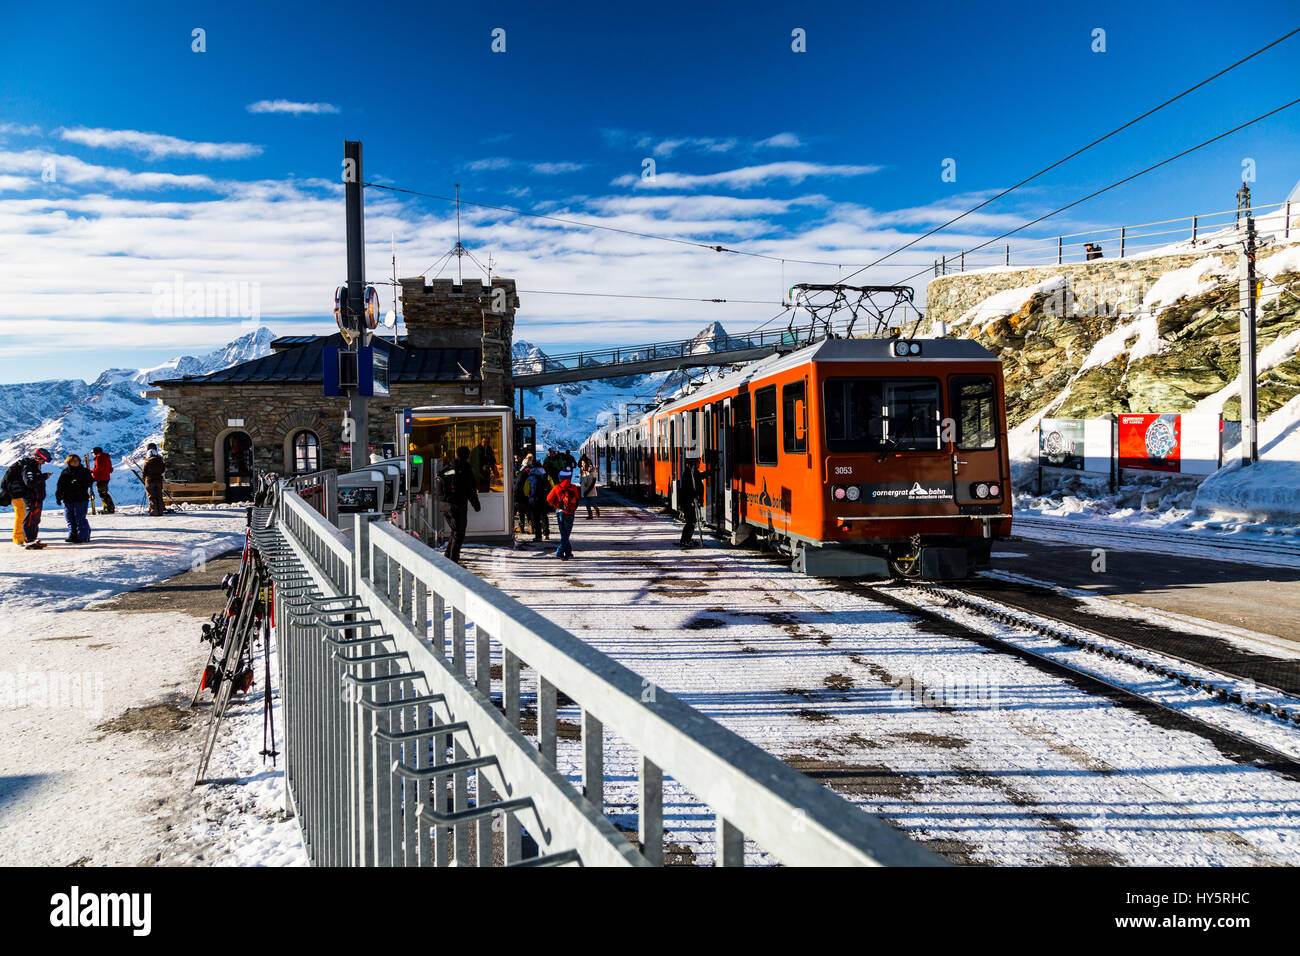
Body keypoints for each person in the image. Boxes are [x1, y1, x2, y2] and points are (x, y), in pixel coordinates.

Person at [437, 445, 480, 564]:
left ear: (456, 455)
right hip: (458, 505)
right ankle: (453, 561)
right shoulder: (465, 469)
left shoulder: (448, 467)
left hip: (445, 504)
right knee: (459, 533)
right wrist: (476, 505)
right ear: (467, 456)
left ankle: (448, 555)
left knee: (454, 531)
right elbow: (471, 489)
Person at [3, 447, 52, 549]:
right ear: (37, 457)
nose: (43, 463)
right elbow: (29, 481)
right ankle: (21, 539)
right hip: (19, 494)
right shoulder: (28, 466)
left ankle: (27, 539)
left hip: (23, 493)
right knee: (23, 516)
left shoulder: (31, 464)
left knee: (28, 516)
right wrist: (43, 477)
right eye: (43, 460)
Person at [56, 455, 93, 543]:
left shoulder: (84, 471)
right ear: (69, 462)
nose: (75, 462)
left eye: (77, 460)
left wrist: (79, 483)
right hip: (68, 498)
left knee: (80, 517)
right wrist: (58, 496)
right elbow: (60, 485)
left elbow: (90, 482)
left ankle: (83, 536)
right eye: (73, 461)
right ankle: (73, 534)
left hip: (81, 498)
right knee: (70, 518)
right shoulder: (65, 472)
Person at [678, 455, 711, 548]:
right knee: (690, 522)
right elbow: (689, 488)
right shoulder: (689, 473)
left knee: (692, 522)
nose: (699, 464)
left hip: (690, 501)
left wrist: (709, 473)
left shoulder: (692, 472)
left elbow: (699, 476)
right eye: (697, 462)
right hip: (688, 502)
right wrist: (694, 497)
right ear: (693, 463)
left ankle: (686, 539)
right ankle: (685, 540)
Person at [547, 468, 580, 560]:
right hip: (571, 512)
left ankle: (559, 551)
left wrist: (556, 505)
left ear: (560, 478)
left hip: (560, 512)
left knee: (564, 534)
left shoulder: (557, 487)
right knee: (566, 534)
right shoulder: (573, 487)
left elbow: (549, 499)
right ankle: (568, 552)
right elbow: (577, 499)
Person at [526, 459, 553, 541]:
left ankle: (538, 536)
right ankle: (546, 534)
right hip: (544, 499)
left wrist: (528, 495)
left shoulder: (530, 476)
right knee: (544, 516)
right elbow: (552, 486)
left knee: (535, 518)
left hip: (533, 499)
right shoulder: (546, 475)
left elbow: (525, 489)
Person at [142, 443, 167, 516]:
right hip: (158, 480)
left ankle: (154, 511)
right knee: (159, 495)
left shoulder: (147, 461)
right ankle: (160, 511)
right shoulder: (160, 460)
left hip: (150, 480)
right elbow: (163, 470)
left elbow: (144, 472)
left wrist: (144, 479)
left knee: (151, 496)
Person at [514, 453, 536, 534]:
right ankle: (531, 527)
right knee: (529, 512)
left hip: (522, 495)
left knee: (521, 512)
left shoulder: (522, 472)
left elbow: (518, 485)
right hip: (531, 495)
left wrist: (515, 495)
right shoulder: (533, 470)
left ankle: (521, 527)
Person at [89, 447, 115, 514]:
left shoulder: (99, 457)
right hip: (105, 477)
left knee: (103, 494)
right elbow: (110, 469)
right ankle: (108, 508)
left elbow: (99, 468)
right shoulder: (106, 457)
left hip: (100, 478)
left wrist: (92, 471)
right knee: (104, 493)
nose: (93, 454)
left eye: (93, 453)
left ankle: (109, 508)